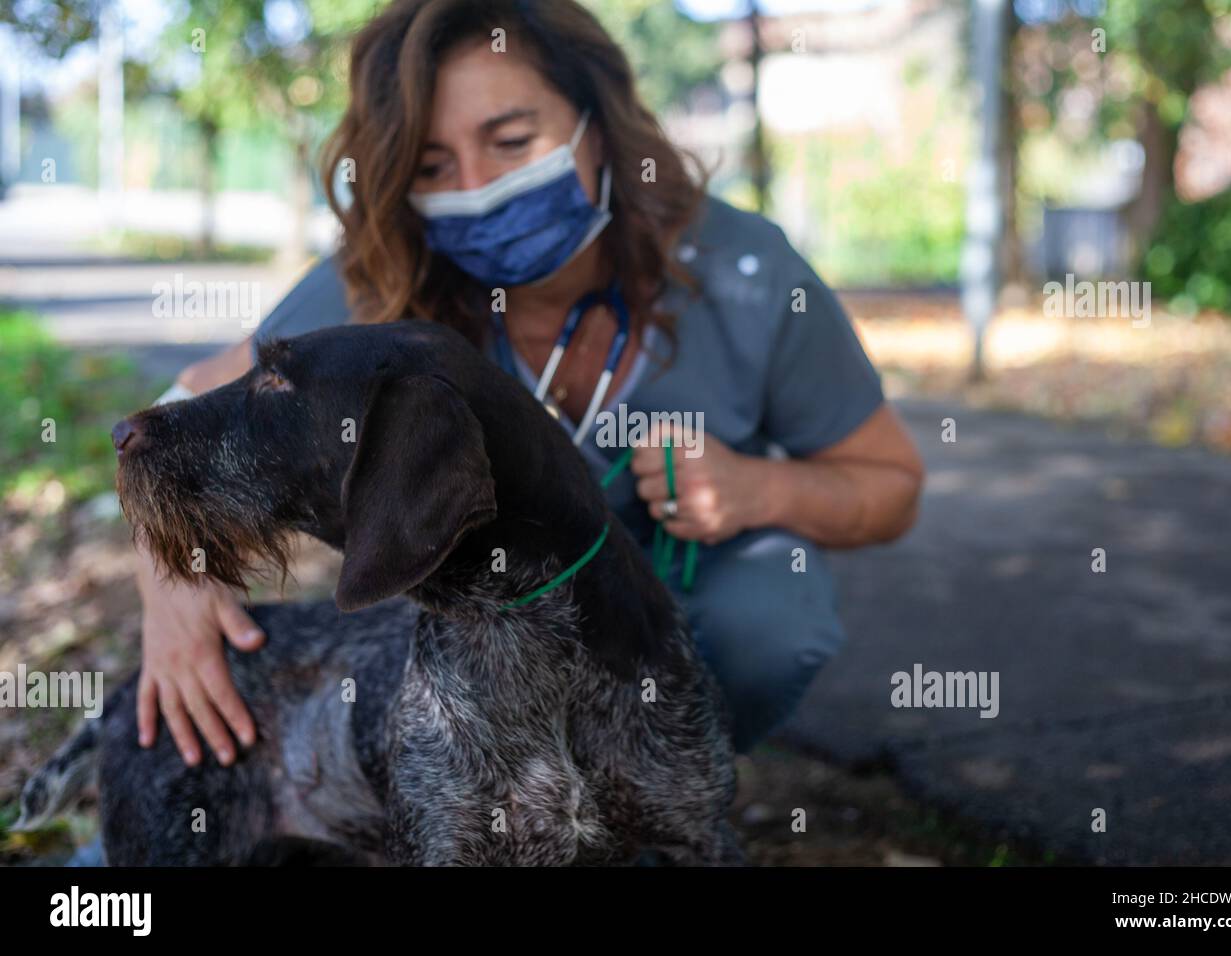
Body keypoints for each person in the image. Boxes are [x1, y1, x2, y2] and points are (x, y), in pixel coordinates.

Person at [136, 0, 924, 766]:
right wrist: (172, 581)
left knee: (772, 620)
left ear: (598, 122)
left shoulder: (746, 269)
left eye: (512, 139)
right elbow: (185, 407)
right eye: (433, 165)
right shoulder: (388, 272)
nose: (477, 187)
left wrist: (761, 491)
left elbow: (890, 484)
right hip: (492, 628)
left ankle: (660, 798)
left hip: (680, 604)